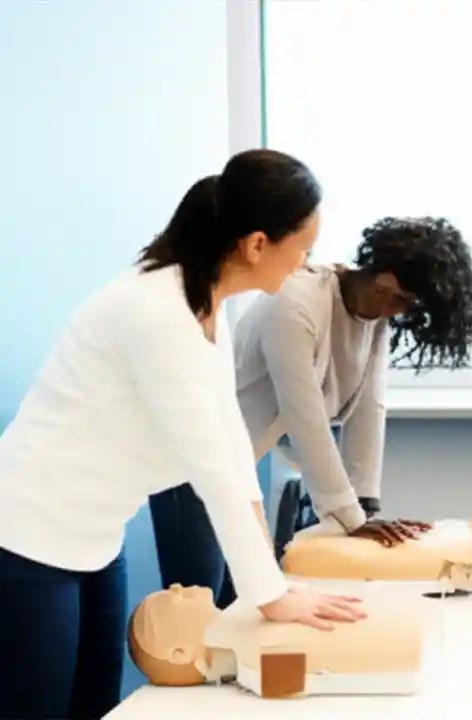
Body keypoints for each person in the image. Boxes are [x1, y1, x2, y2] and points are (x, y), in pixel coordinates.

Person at [0, 149, 364, 720]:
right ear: (257, 244)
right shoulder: (155, 312)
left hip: (94, 539)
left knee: (97, 707)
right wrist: (271, 597)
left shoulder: (206, 303)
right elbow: (210, 469)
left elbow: (234, 448)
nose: (306, 265)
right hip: (24, 539)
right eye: (304, 248)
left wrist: (267, 580)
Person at [151, 215, 472, 607]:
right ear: (387, 281)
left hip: (234, 466)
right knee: (201, 606)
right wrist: (352, 518)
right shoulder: (295, 301)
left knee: (240, 605)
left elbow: (369, 407)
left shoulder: (375, 317)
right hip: (189, 465)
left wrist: (366, 505)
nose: (401, 314)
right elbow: (304, 412)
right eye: (405, 303)